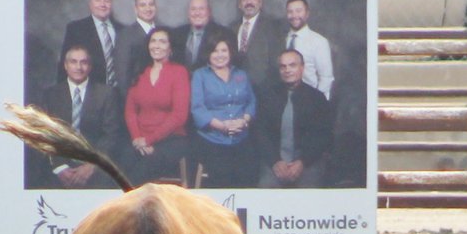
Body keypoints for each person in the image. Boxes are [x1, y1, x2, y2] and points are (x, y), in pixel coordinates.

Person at [32, 43, 125, 189]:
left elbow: (111, 135)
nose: (78, 67)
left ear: (90, 66)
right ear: (65, 65)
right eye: (73, 62)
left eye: (84, 62)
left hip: (96, 166)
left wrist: (93, 165)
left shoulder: (106, 94)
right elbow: (45, 135)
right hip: (58, 166)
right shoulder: (50, 94)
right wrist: (60, 168)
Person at [255, 48, 333, 188]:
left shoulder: (317, 99)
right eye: (283, 66)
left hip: (307, 163)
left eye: (292, 65)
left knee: (309, 194)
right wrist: (275, 162)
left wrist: (302, 162)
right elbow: (260, 132)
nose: (287, 70)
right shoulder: (267, 96)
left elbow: (322, 136)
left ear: (302, 68)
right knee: (266, 188)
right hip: (274, 163)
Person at [123, 27, 191, 186]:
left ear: (170, 47)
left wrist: (149, 140)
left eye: (162, 41)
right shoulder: (139, 72)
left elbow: (179, 115)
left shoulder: (179, 72)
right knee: (118, 166)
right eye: (153, 41)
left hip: (171, 139)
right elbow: (130, 112)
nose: (157, 45)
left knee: (140, 172)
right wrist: (137, 139)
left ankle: (135, 209)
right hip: (140, 138)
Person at [190, 31, 258, 189]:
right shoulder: (200, 76)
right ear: (208, 53)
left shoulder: (241, 75)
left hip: (242, 136)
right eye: (215, 51)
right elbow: (198, 109)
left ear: (230, 53)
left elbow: (251, 102)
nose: (219, 55)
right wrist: (222, 126)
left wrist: (243, 121)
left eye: (224, 50)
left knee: (250, 173)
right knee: (223, 175)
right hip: (212, 139)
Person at [61, 0, 127, 91]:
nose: (102, 4)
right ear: (90, 4)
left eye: (106, 1)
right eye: (98, 1)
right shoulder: (76, 29)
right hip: (90, 94)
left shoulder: (123, 30)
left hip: (120, 94)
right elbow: (65, 65)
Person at [230, 0, 287, 95]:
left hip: (264, 93)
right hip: (235, 92)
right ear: (240, 4)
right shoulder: (231, 28)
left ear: (260, 3)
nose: (249, 2)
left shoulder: (273, 27)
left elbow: (276, 63)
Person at [282, 0, 335, 99]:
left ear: (307, 13)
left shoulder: (319, 42)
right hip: (284, 99)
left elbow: (326, 78)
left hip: (309, 99)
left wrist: (316, 101)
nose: (294, 15)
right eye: (290, 11)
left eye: (298, 11)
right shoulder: (281, 39)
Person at [171, 0, 230, 72]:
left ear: (209, 12)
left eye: (201, 9)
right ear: (188, 13)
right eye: (193, 9)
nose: (197, 13)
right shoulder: (177, 34)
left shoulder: (223, 33)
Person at [119, 0, 162, 87]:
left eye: (151, 4)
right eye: (143, 5)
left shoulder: (163, 32)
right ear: (135, 9)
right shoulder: (125, 35)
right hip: (137, 92)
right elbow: (123, 74)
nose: (148, 9)